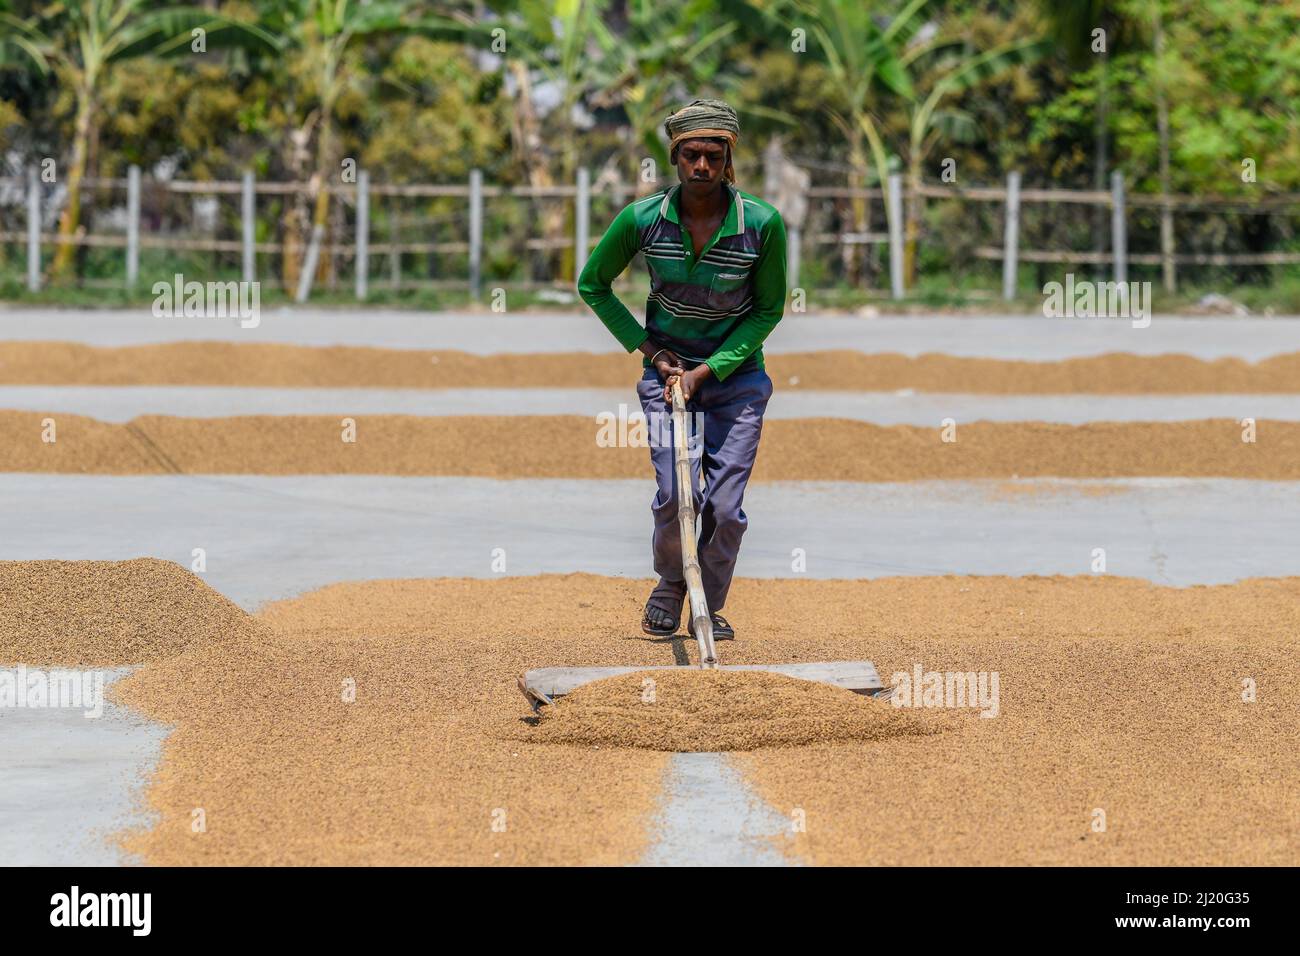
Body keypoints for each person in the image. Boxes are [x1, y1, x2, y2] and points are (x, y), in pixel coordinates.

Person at [577, 98, 788, 641]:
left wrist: (711, 370)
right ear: (674, 157)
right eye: (691, 155)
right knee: (676, 493)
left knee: (724, 505)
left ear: (728, 159)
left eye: (713, 156)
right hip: (667, 374)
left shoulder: (760, 224)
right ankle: (672, 586)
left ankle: (704, 601)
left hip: (736, 381)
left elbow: (767, 310)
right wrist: (648, 350)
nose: (702, 167)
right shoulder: (644, 220)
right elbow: (591, 284)